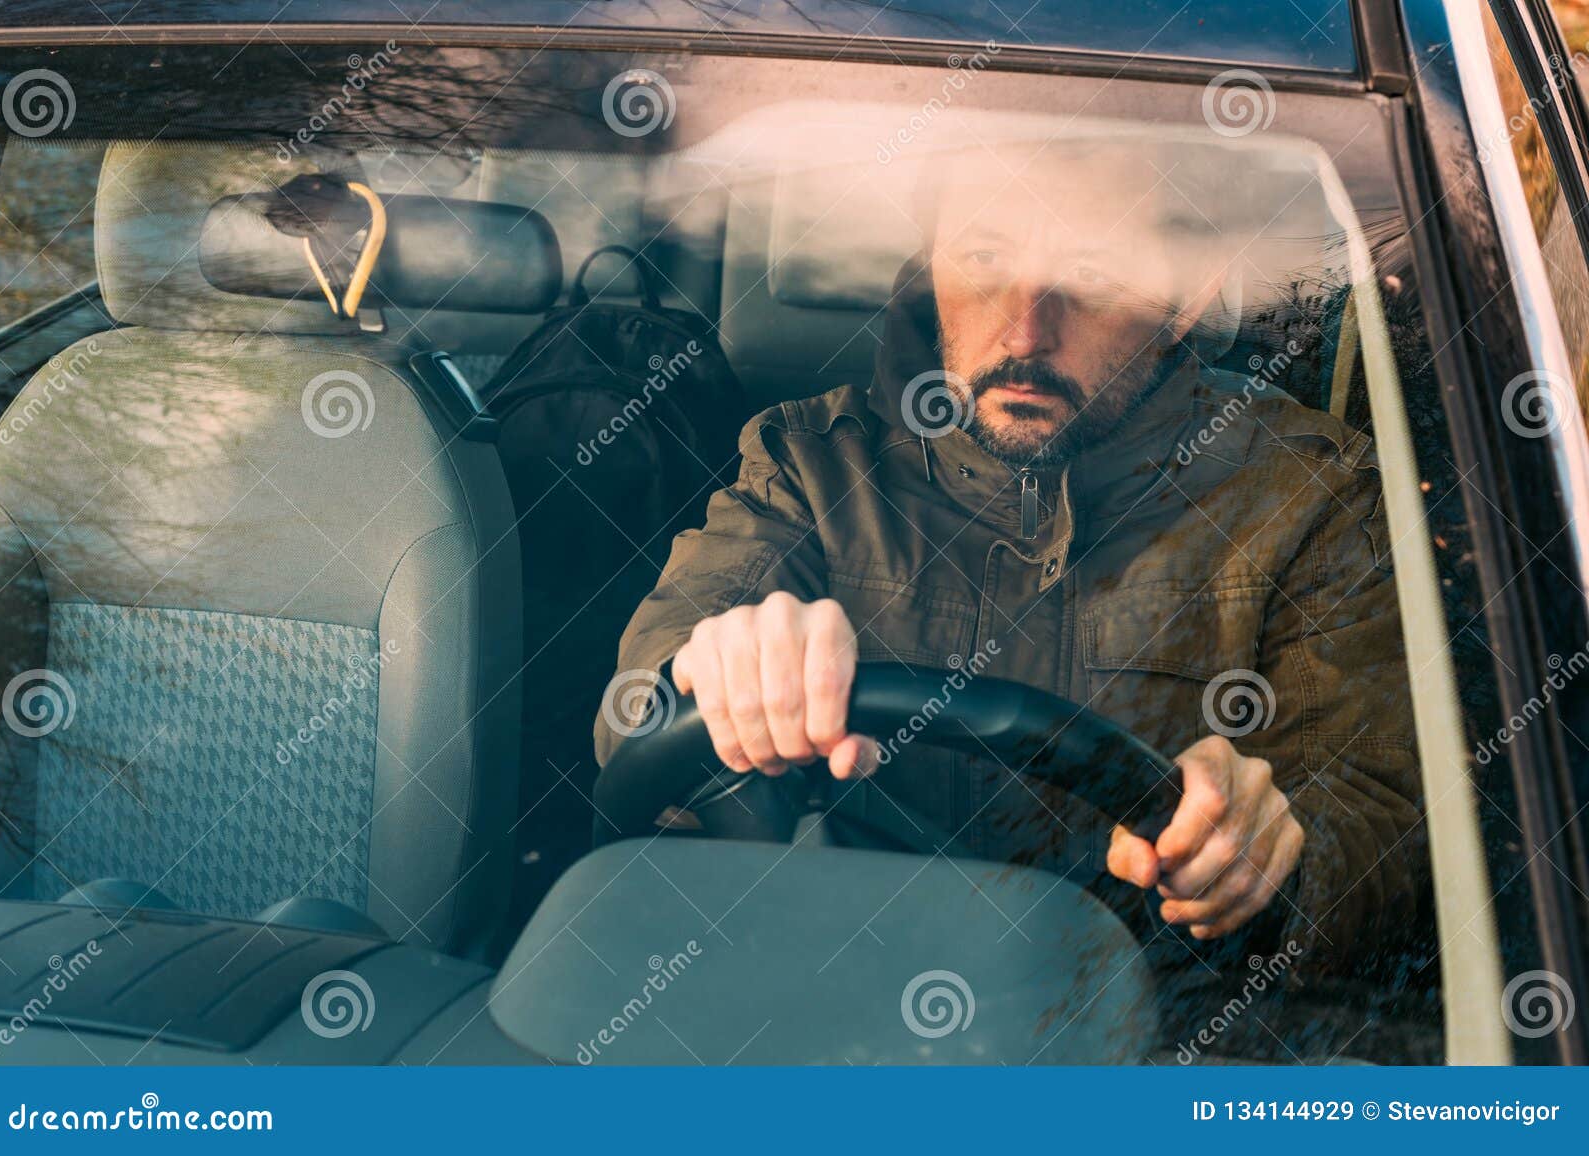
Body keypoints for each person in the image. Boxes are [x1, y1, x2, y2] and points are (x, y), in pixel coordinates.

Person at [594, 139, 1423, 970]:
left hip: (1163, 1039)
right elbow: (640, 703)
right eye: (985, 256)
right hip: (835, 999)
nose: (1026, 329)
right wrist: (712, 672)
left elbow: (1387, 837)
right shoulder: (812, 463)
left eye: (1093, 270)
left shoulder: (1308, 496)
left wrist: (1276, 853)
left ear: (1186, 296)